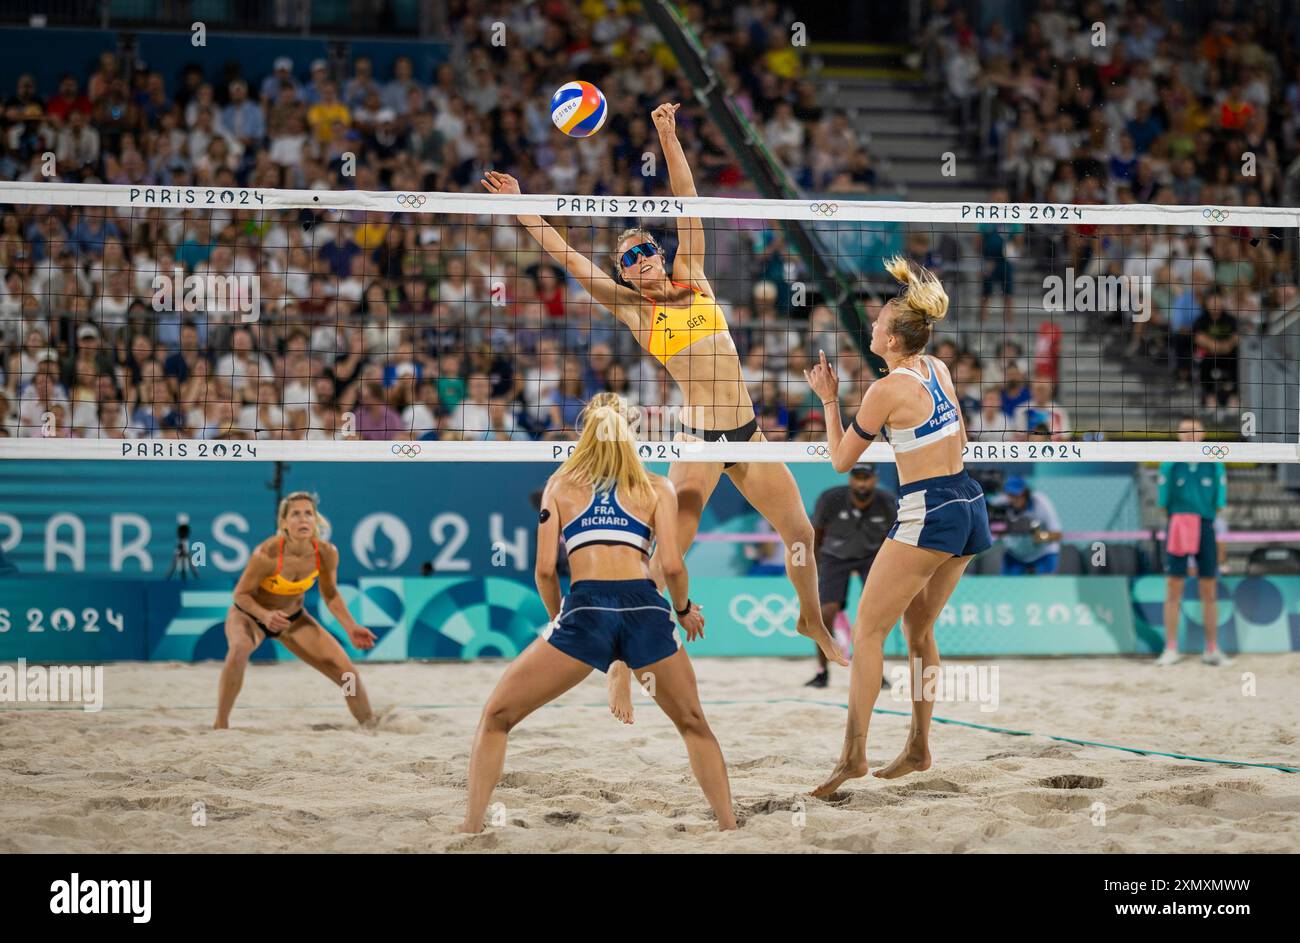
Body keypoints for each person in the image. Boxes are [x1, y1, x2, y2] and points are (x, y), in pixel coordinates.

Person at [481, 102, 847, 718]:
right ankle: (621, 662)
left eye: (646, 249)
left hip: (748, 434)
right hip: (699, 441)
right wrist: (522, 204)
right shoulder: (634, 309)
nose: (642, 259)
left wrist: (669, 135)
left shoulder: (694, 276)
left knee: (802, 536)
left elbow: (686, 196)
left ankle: (810, 621)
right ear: (624, 274)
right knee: (665, 556)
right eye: (629, 258)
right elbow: (567, 258)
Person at [460, 394, 736, 832]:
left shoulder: (561, 485)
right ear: (633, 434)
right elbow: (672, 565)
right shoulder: (655, 486)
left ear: (584, 434)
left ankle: (472, 826)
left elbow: (545, 570)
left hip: (586, 608)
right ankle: (728, 826)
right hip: (645, 607)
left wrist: (558, 624)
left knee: (497, 717)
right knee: (692, 722)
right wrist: (682, 609)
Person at [804, 255, 992, 796]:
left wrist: (828, 400)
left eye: (879, 323)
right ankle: (917, 746)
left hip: (929, 508)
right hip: (968, 500)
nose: (871, 327)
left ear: (891, 341)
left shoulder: (885, 390)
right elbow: (954, 438)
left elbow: (841, 460)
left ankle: (852, 757)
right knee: (920, 631)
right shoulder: (937, 368)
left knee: (867, 633)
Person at [216, 492, 378, 729]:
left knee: (348, 676)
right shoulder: (267, 554)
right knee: (239, 648)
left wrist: (350, 627)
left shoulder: (326, 553)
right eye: (295, 514)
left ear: (315, 520)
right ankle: (221, 724)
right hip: (251, 615)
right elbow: (240, 595)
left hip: (293, 619)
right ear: (283, 523)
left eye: (308, 514)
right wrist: (265, 616)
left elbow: (331, 595)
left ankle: (370, 725)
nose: (303, 520)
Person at [806, 463, 897, 688]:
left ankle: (875, 672)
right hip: (834, 557)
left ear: (875, 479)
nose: (862, 482)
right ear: (850, 479)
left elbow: (895, 538)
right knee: (825, 613)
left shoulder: (886, 501)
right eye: (857, 477)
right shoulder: (830, 499)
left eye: (866, 478)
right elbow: (815, 534)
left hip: (872, 558)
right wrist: (814, 566)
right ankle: (821, 672)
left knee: (874, 616)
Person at [1156, 416, 1231, 667]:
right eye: (1184, 431)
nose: (1189, 435)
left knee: (1208, 589)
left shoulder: (1215, 464)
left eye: (1194, 431)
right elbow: (1162, 504)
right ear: (1178, 435)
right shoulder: (1169, 464)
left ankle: (1212, 648)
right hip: (1178, 523)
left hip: (1205, 525)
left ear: (1203, 434)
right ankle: (1171, 648)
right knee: (1173, 587)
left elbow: (1219, 505)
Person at [995, 475, 1063, 575]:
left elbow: (1058, 534)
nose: (1013, 499)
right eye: (1010, 495)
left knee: (1046, 587)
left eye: (1016, 495)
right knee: (1006, 588)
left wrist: (1040, 536)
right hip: (1015, 555)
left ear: (1025, 493)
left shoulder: (1042, 503)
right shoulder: (1000, 503)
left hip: (1042, 554)